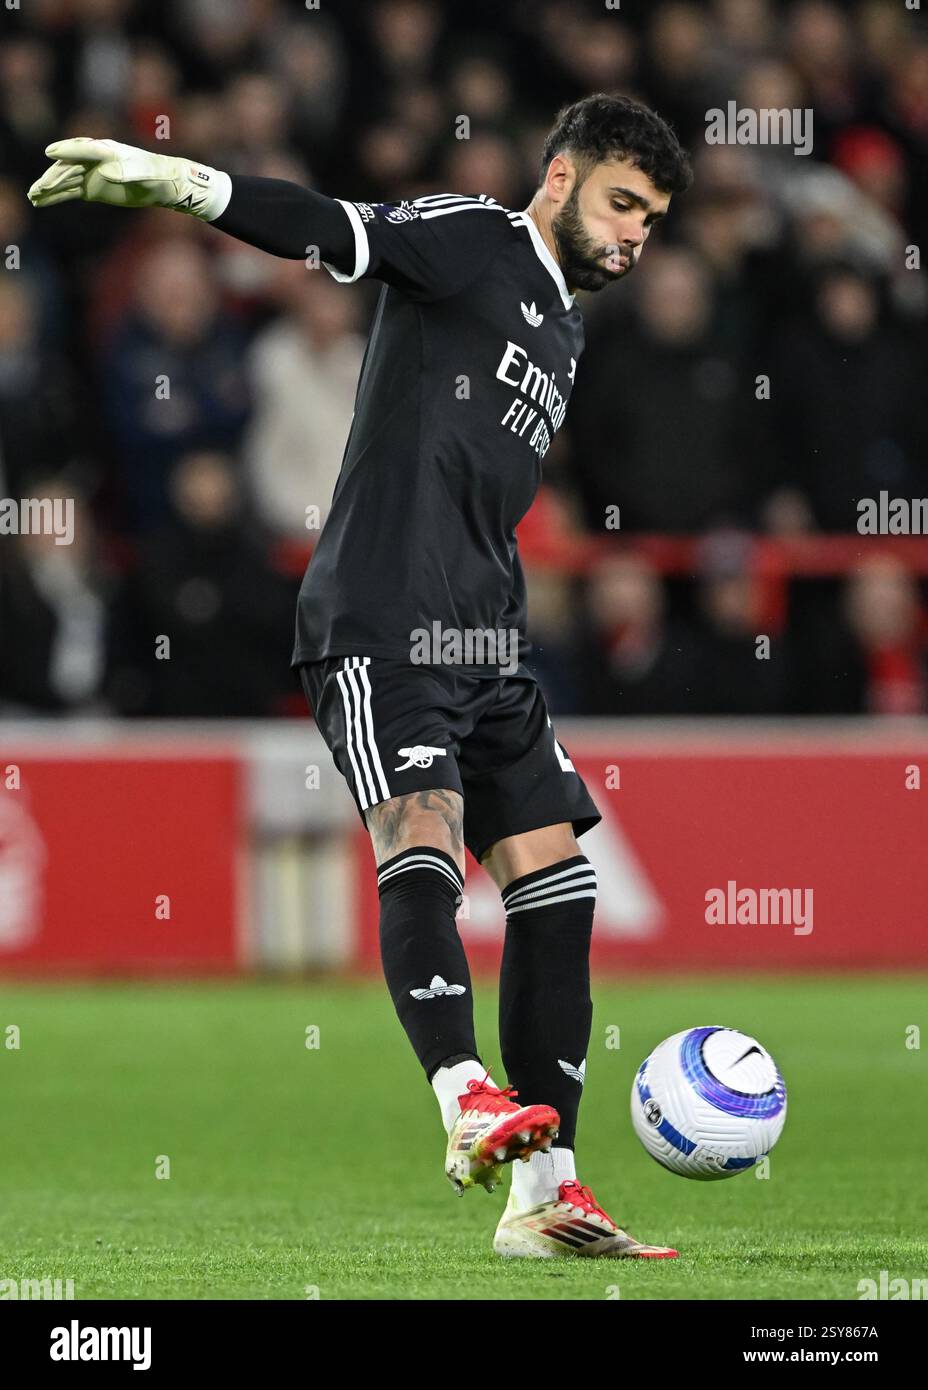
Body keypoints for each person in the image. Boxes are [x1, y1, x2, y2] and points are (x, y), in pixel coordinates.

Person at [28, 92, 692, 1259]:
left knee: (557, 885)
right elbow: (331, 228)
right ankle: (461, 1099)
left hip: (487, 641)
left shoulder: (561, 327)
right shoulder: (477, 237)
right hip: (382, 616)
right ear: (560, 179)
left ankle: (547, 1197)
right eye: (623, 202)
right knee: (422, 835)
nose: (637, 235)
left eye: (653, 219)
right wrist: (186, 184)